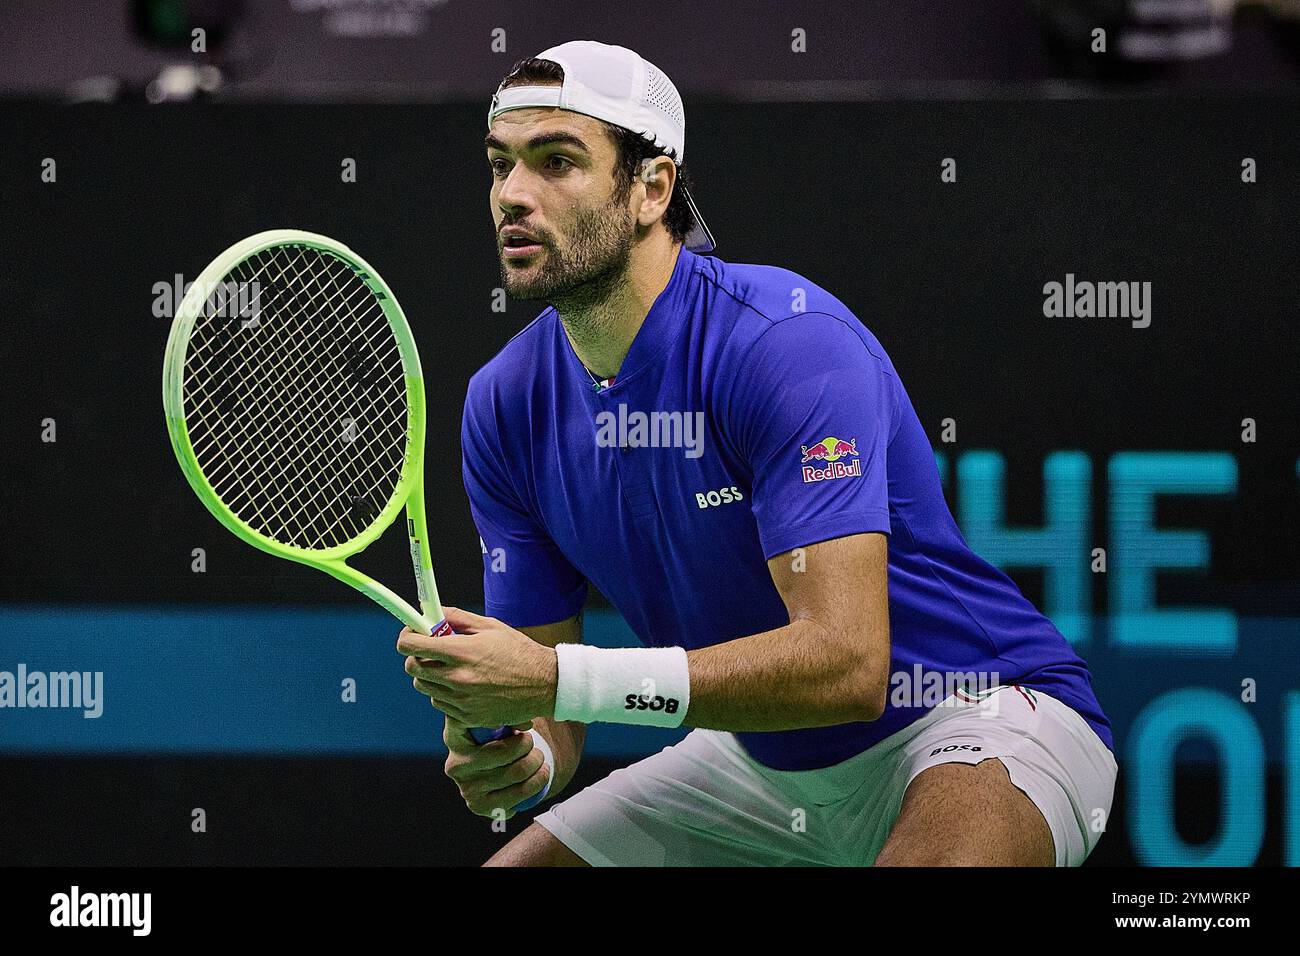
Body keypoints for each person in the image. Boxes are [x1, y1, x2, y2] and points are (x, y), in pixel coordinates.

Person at [397, 39, 1116, 866]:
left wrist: (559, 679)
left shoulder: (787, 344)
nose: (513, 196)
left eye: (557, 161)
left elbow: (847, 665)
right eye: (500, 165)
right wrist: (524, 754)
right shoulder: (505, 403)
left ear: (651, 188)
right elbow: (548, 712)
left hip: (971, 718)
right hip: (760, 762)